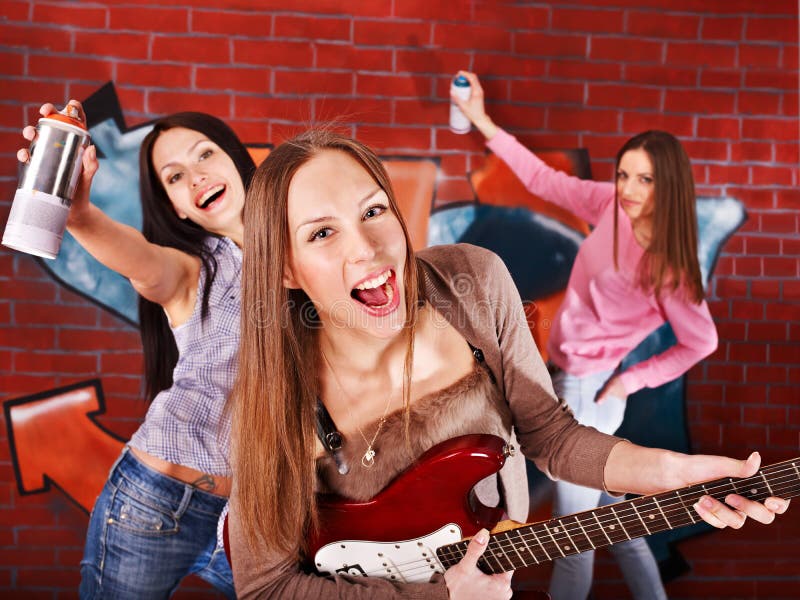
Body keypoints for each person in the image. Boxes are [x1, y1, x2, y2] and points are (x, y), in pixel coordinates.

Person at [225, 128, 789, 599]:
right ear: (285, 271)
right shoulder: (275, 391)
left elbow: (551, 436)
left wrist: (674, 473)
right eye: (322, 233)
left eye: (374, 210)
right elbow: (266, 585)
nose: (368, 249)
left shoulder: (474, 284)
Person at [451, 70, 721, 599]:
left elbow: (701, 341)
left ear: (669, 185)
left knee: (574, 538)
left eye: (645, 180)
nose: (628, 189)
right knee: (616, 525)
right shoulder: (611, 208)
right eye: (624, 175)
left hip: (590, 395)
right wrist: (482, 120)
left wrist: (628, 381)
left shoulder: (670, 267)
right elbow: (544, 181)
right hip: (566, 378)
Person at [18, 100, 256, 598]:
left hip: (259, 521)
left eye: (206, 155)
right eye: (174, 177)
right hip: (154, 504)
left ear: (237, 158)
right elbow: (142, 262)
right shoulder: (193, 270)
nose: (196, 178)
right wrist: (79, 215)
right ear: (177, 208)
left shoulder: (313, 256)